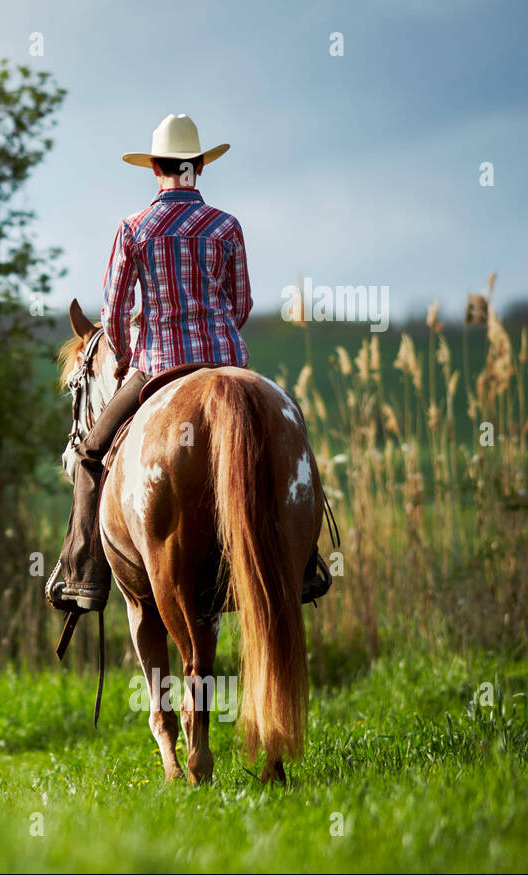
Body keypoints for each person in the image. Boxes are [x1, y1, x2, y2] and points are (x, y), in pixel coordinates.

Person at [48, 113, 330, 613]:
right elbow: (239, 306)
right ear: (199, 166)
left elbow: (114, 318)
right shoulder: (226, 226)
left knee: (91, 453)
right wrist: (217, 342)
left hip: (158, 369)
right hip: (228, 364)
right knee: (291, 424)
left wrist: (130, 357)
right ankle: (304, 563)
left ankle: (84, 577)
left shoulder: (133, 229)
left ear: (154, 167)